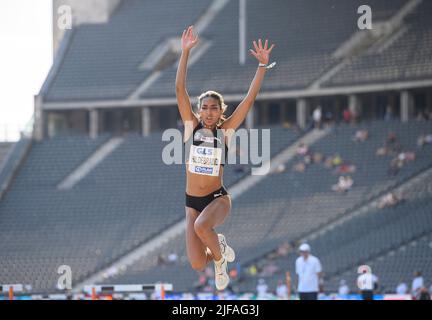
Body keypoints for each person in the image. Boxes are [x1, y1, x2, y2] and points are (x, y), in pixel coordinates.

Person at [176, 25, 275, 291]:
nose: (208, 112)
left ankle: (220, 261)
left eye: (214, 108)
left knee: (201, 226)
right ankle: (217, 250)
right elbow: (179, 89)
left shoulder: (225, 131)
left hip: (217, 199)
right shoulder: (191, 127)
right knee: (197, 263)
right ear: (199, 110)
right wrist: (185, 52)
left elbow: (249, 99)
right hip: (191, 203)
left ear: (221, 111)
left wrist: (262, 66)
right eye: (204, 107)